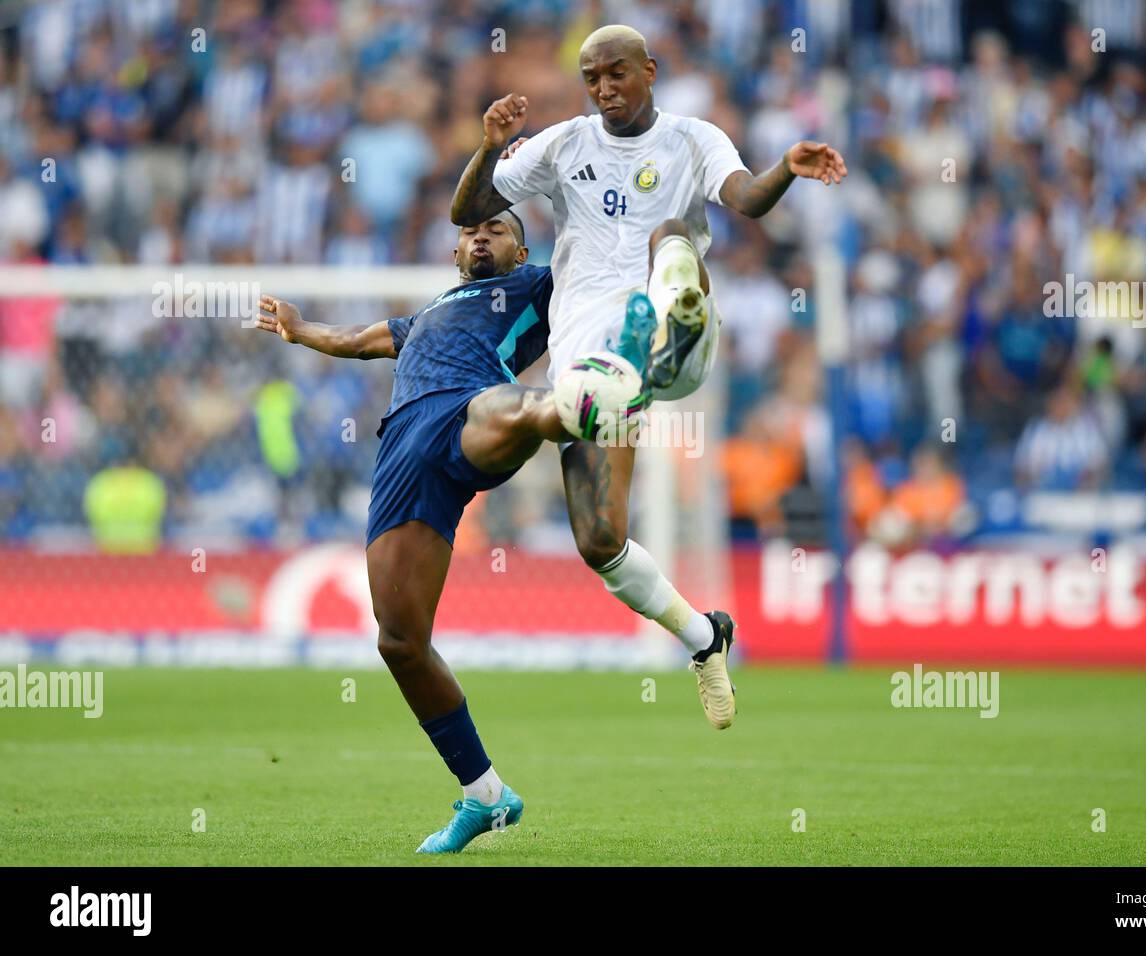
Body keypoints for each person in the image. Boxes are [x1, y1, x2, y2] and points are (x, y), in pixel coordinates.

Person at [448, 24, 847, 729]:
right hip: (589, 368)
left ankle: (667, 320)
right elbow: (467, 211)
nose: (604, 89)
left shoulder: (694, 139)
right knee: (599, 541)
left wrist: (786, 166)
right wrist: (486, 145)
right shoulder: (565, 144)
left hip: (675, 344)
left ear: (650, 71)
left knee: (670, 234)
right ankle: (704, 637)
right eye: (592, 78)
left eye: (616, 74)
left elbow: (746, 199)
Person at [257, 211, 649, 854]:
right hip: (403, 448)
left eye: (497, 229)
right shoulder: (426, 317)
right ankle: (486, 796)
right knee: (400, 642)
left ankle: (585, 399)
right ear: (456, 249)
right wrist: (300, 331)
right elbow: (358, 339)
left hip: (472, 406)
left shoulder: (536, 285)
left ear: (521, 250)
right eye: (473, 231)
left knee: (519, 407)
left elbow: (603, 274)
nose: (482, 236)